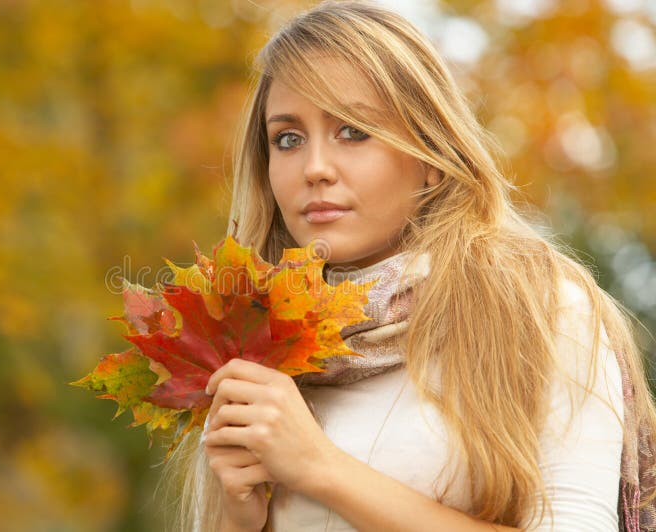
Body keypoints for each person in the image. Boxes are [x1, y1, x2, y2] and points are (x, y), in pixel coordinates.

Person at [157, 1, 656, 530]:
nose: (315, 168)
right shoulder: (253, 340)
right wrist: (238, 518)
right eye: (288, 138)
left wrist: (317, 467)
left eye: (353, 130)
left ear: (429, 158)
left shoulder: (538, 309)